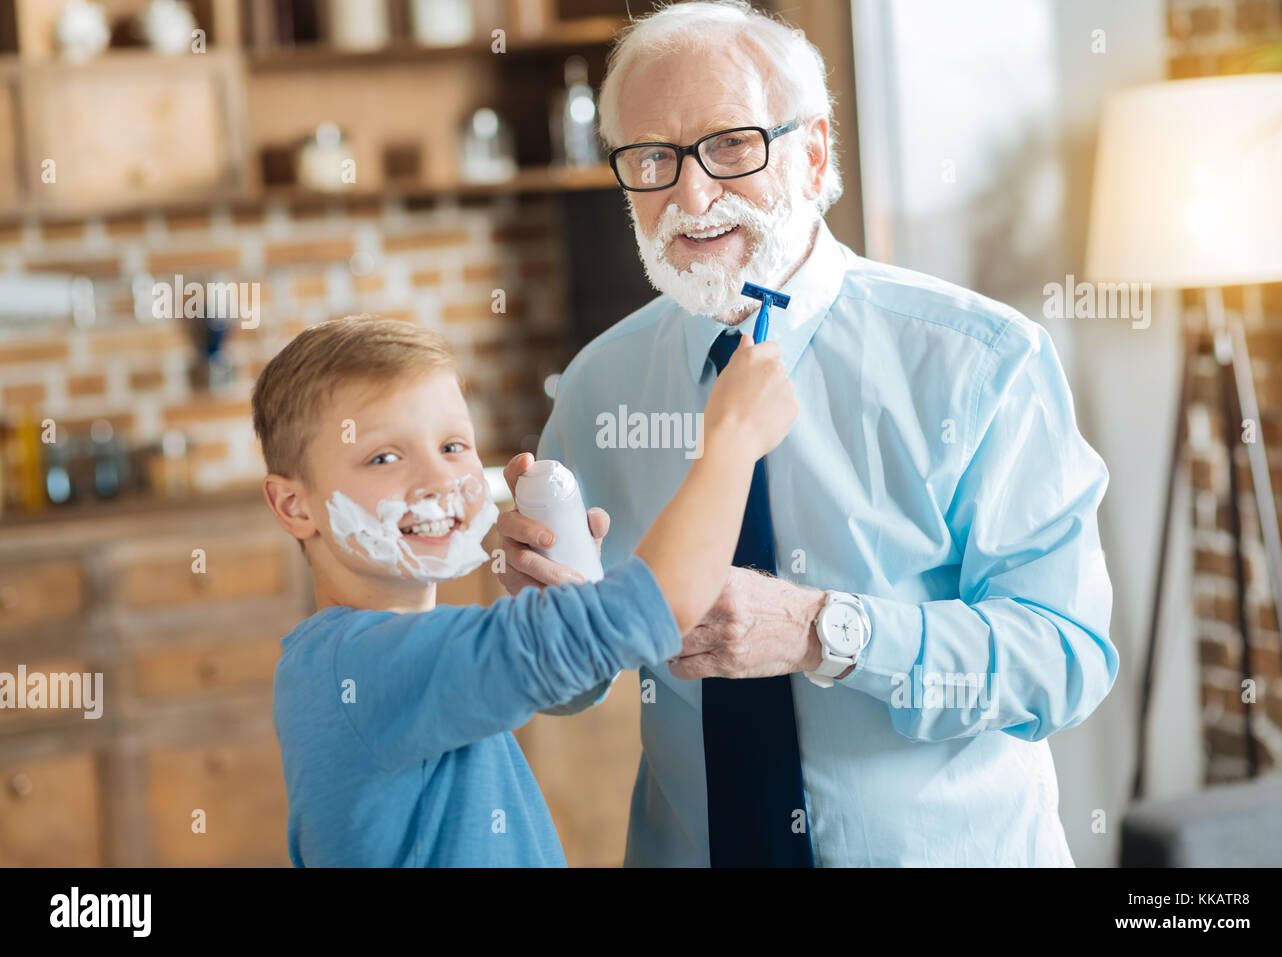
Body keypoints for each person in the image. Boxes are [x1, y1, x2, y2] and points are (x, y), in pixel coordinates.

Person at [496, 0, 1119, 866]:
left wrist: (825, 629)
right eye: (652, 158)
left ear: (815, 150)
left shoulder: (982, 362)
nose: (692, 193)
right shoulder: (600, 383)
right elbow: (571, 685)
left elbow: (1064, 659)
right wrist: (543, 619)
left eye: (732, 145)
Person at [255, 315, 795, 865]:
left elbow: (584, 655)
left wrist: (570, 602)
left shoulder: (369, 657)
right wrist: (734, 436)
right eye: (383, 457)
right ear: (294, 506)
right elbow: (662, 602)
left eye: (451, 445)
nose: (439, 480)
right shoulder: (364, 667)